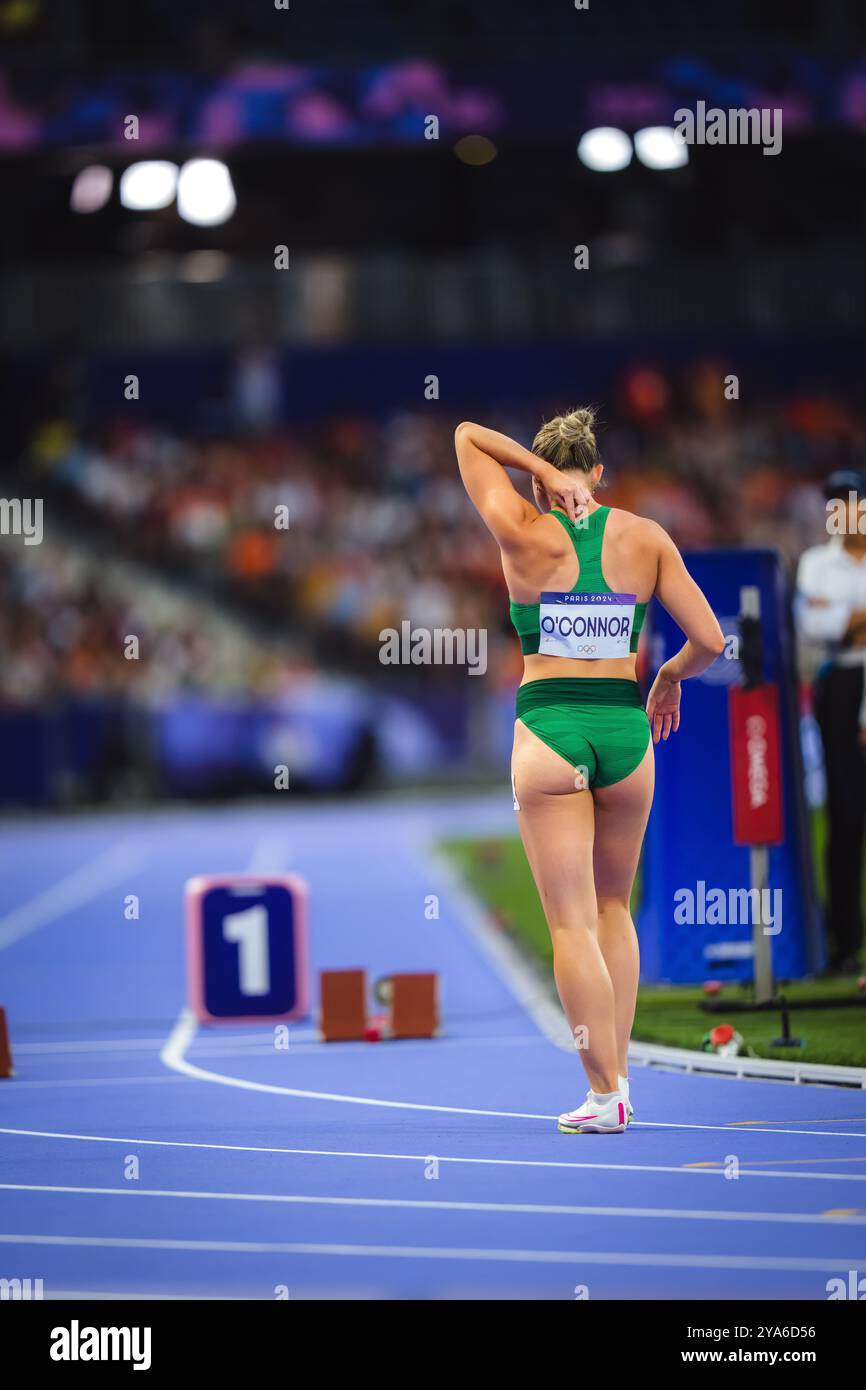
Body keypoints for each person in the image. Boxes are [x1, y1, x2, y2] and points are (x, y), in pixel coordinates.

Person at [455, 410, 725, 1133]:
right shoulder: (645, 537)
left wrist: (536, 476)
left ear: (544, 479)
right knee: (613, 910)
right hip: (626, 736)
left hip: (550, 730)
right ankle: (622, 1080)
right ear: (600, 473)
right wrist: (667, 676)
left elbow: (465, 436)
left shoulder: (522, 526)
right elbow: (710, 640)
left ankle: (603, 1094)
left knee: (569, 925)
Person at [796, 469, 866, 972]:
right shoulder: (816, 563)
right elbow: (815, 625)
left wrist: (844, 615)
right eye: (835, 502)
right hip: (841, 685)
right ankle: (845, 941)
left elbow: (832, 619)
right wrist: (852, 620)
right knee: (846, 814)